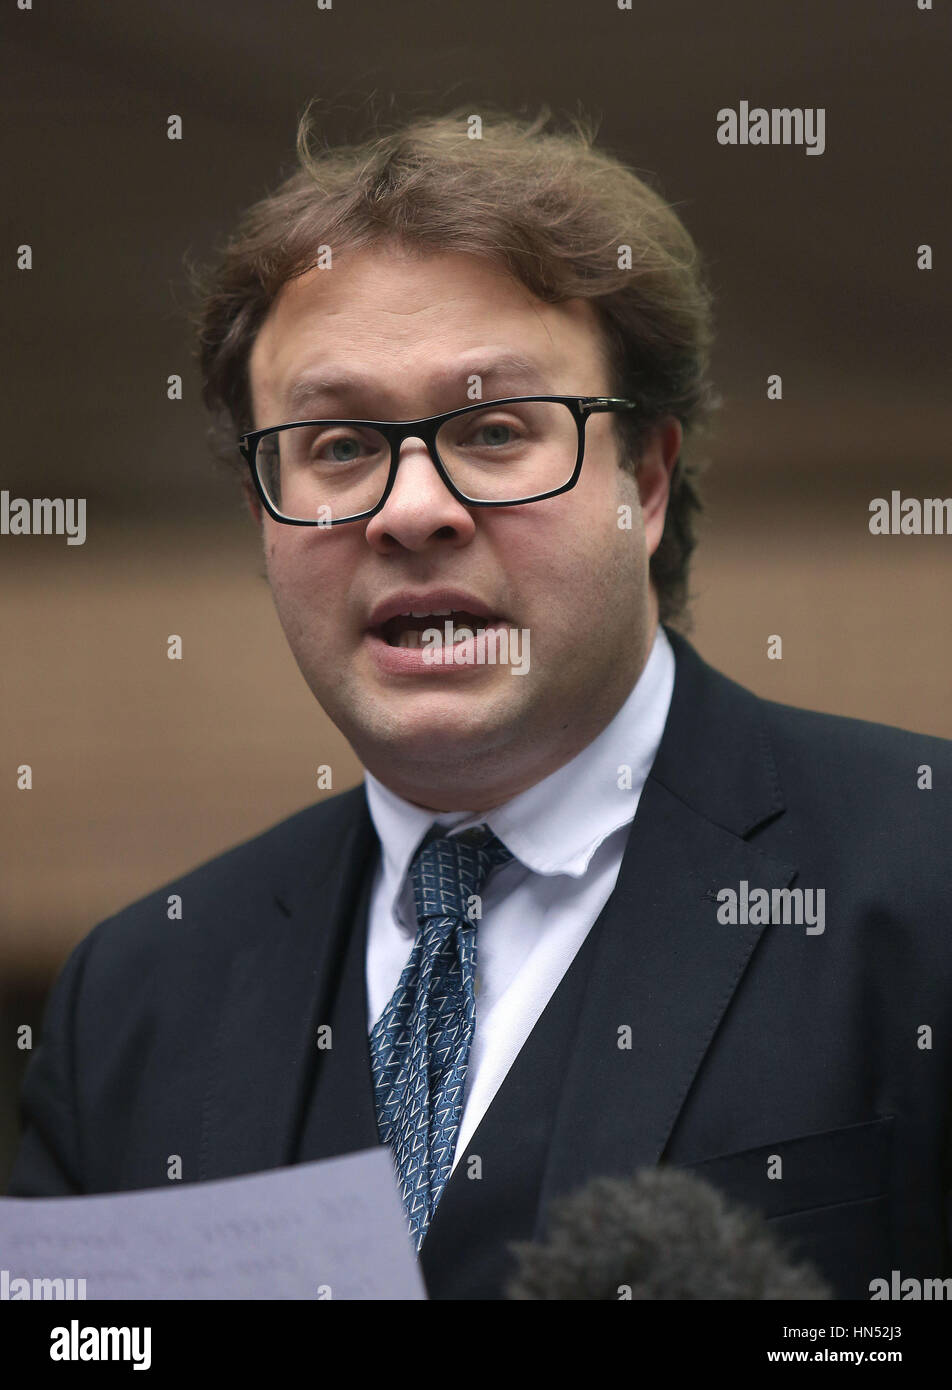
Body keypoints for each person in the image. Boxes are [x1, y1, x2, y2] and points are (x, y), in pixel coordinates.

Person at [8, 105, 952, 1301]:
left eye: (496, 430)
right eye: (339, 444)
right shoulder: (135, 1001)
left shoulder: (922, 876)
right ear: (263, 517)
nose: (411, 510)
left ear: (646, 483)